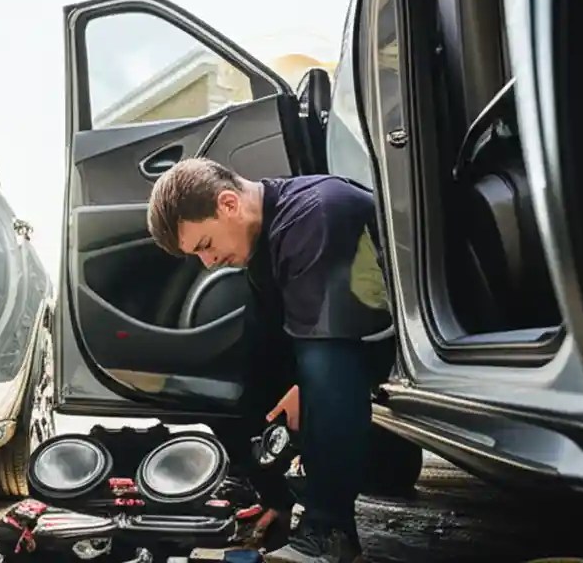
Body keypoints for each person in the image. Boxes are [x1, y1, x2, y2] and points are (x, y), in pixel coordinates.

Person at [146, 156, 396, 563]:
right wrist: (272, 490)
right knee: (239, 375)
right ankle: (279, 503)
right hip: (344, 337)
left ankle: (329, 530)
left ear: (228, 204)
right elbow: (264, 352)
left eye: (205, 246)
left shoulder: (315, 213)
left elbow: (339, 342)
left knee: (322, 372)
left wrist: (305, 392)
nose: (207, 263)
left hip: (395, 334)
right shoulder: (264, 240)